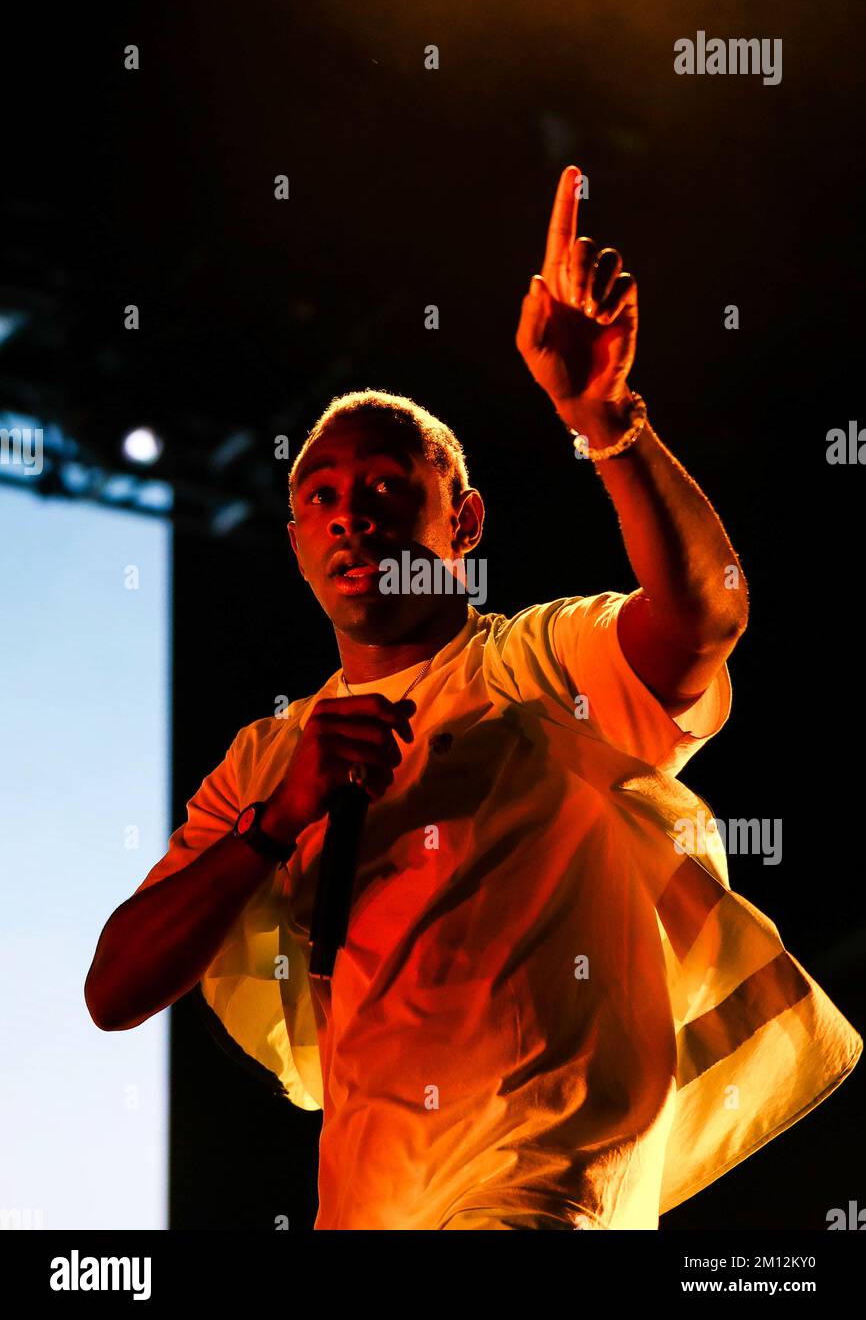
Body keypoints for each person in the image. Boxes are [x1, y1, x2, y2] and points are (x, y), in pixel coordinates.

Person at [85, 165, 861, 1230]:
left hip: (541, 1186)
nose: (351, 515)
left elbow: (703, 617)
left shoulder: (536, 668)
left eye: (388, 489)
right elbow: (113, 991)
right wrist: (276, 825)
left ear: (465, 523)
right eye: (321, 498)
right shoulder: (267, 759)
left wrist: (605, 419)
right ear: (297, 542)